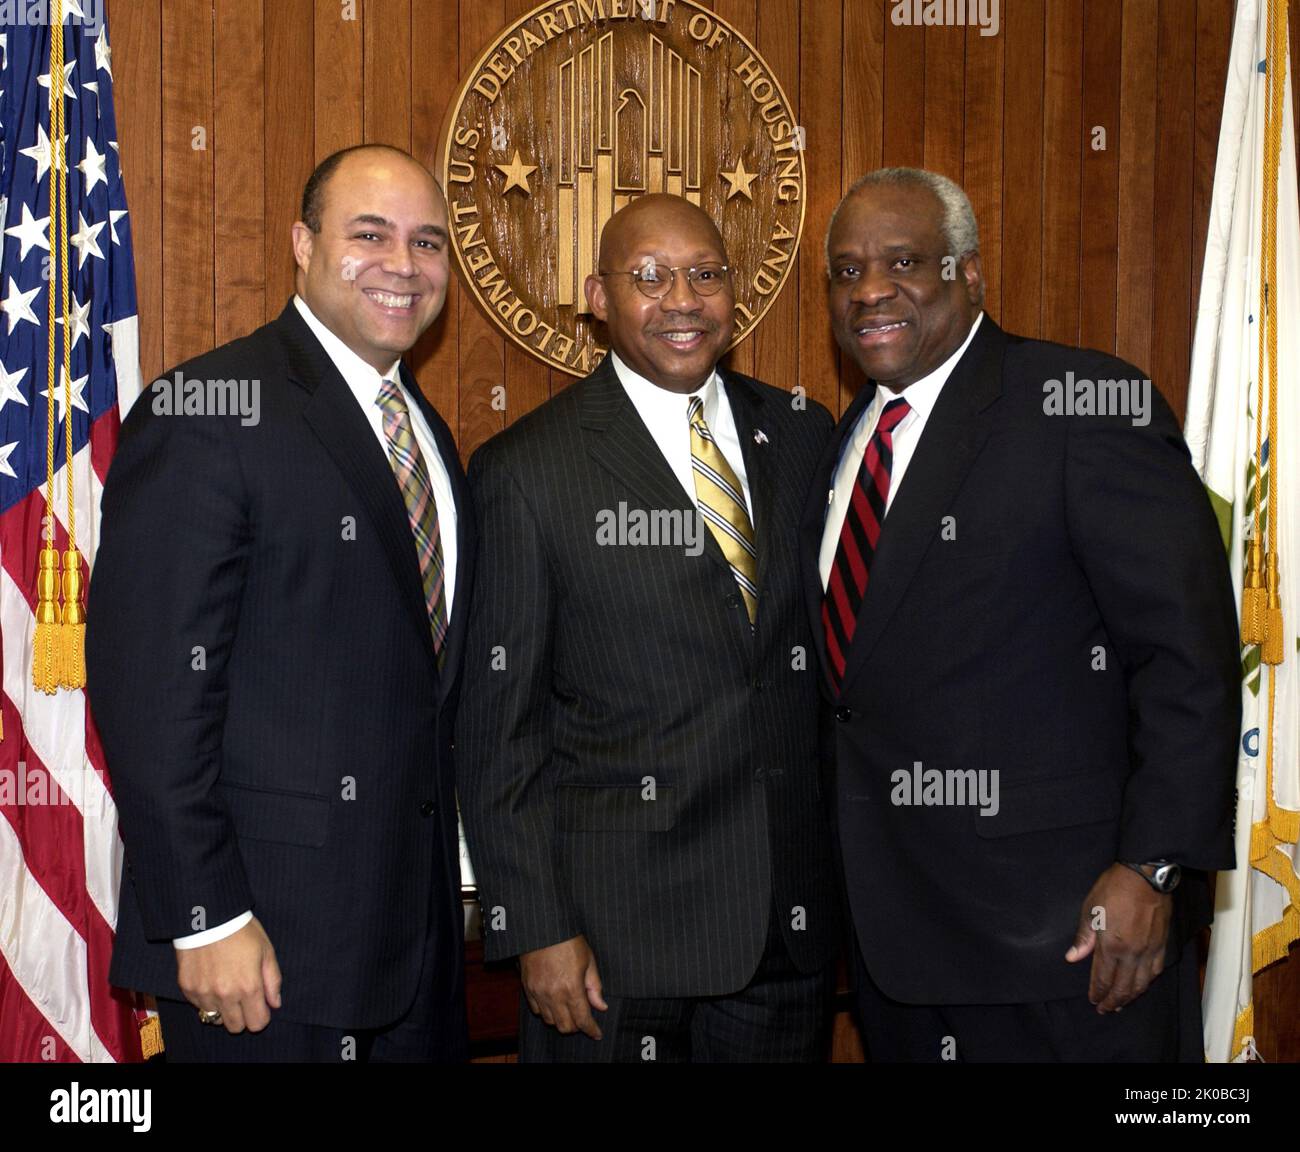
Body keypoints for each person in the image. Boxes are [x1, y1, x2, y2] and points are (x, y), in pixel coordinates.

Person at [807, 167, 1240, 1063]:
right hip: (898, 950)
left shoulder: (1082, 407)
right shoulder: (840, 444)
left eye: (904, 261)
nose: (872, 290)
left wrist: (1153, 868)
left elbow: (1187, 657)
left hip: (1069, 944)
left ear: (971, 275)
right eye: (846, 272)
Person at [87, 144, 474, 1062]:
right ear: (301, 245)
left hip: (412, 951)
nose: (402, 265)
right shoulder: (208, 409)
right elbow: (151, 693)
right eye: (369, 234)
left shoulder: (427, 432)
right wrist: (204, 915)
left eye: (427, 243)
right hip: (261, 952)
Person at [458, 193, 836, 1062]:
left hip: (788, 933)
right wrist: (537, 927)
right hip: (613, 945)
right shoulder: (527, 470)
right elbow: (498, 731)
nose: (682, 300)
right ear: (597, 296)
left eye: (705, 275)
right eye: (649, 277)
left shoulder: (803, 432)